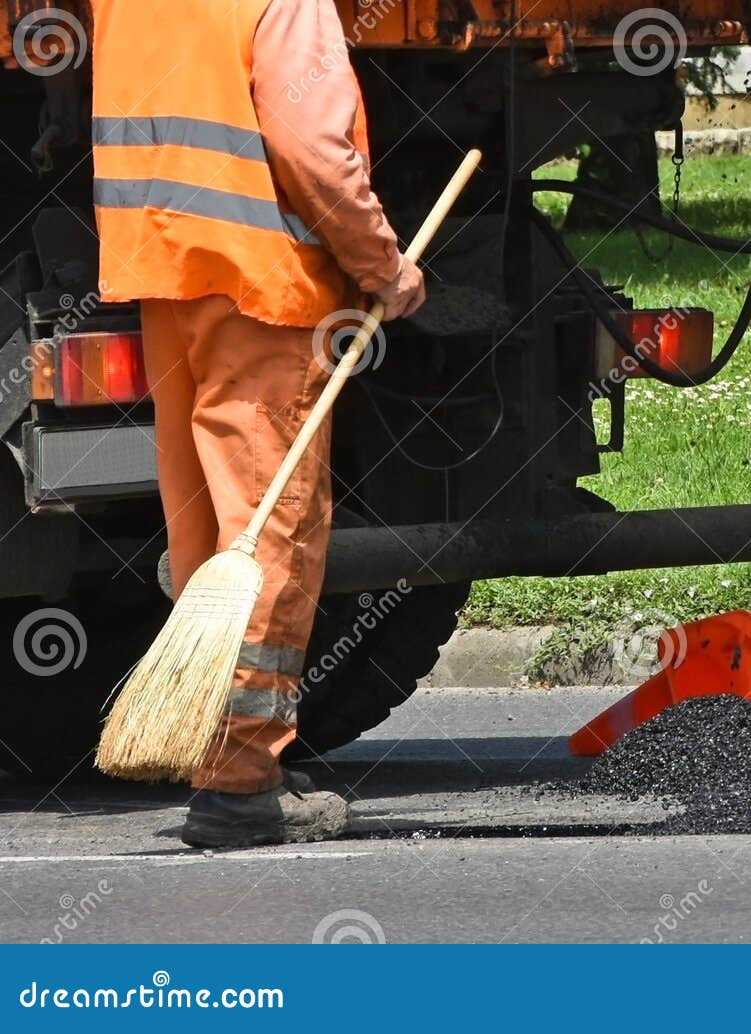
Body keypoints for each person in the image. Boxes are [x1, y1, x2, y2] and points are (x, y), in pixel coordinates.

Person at [91, 0, 426, 846]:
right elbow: (312, 149)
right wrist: (383, 264)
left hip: (167, 276)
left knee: (206, 535)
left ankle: (215, 747)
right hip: (262, 289)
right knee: (270, 532)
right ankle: (241, 780)